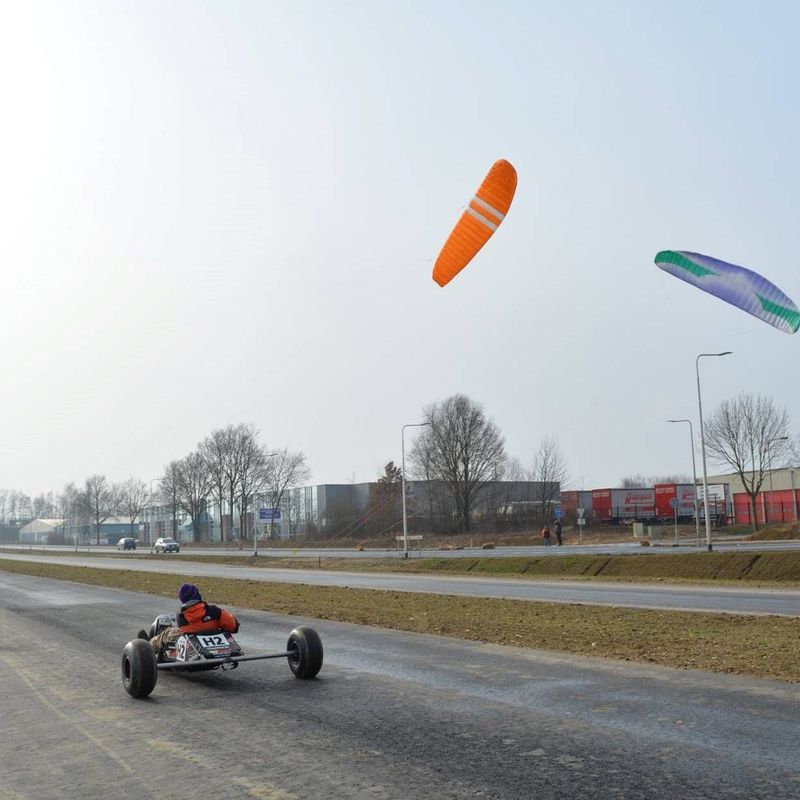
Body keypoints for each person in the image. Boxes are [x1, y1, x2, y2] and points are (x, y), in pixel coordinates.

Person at [143, 583, 240, 657]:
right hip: (212, 638)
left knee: (167, 633)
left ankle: (145, 647)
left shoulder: (182, 616)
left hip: (191, 641)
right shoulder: (215, 611)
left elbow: (184, 629)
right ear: (197, 594)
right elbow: (233, 627)